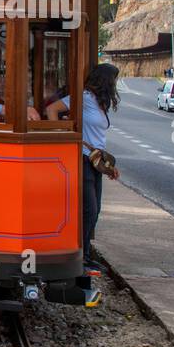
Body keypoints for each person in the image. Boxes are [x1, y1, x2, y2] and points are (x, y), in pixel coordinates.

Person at [45, 63, 121, 273]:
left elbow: (99, 137)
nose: (116, 84)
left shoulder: (99, 102)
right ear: (106, 80)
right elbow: (52, 109)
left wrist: (109, 166)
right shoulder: (85, 98)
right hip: (82, 159)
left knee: (94, 210)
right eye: (114, 80)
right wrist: (61, 137)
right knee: (90, 209)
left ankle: (85, 253)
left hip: (95, 160)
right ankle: (81, 255)